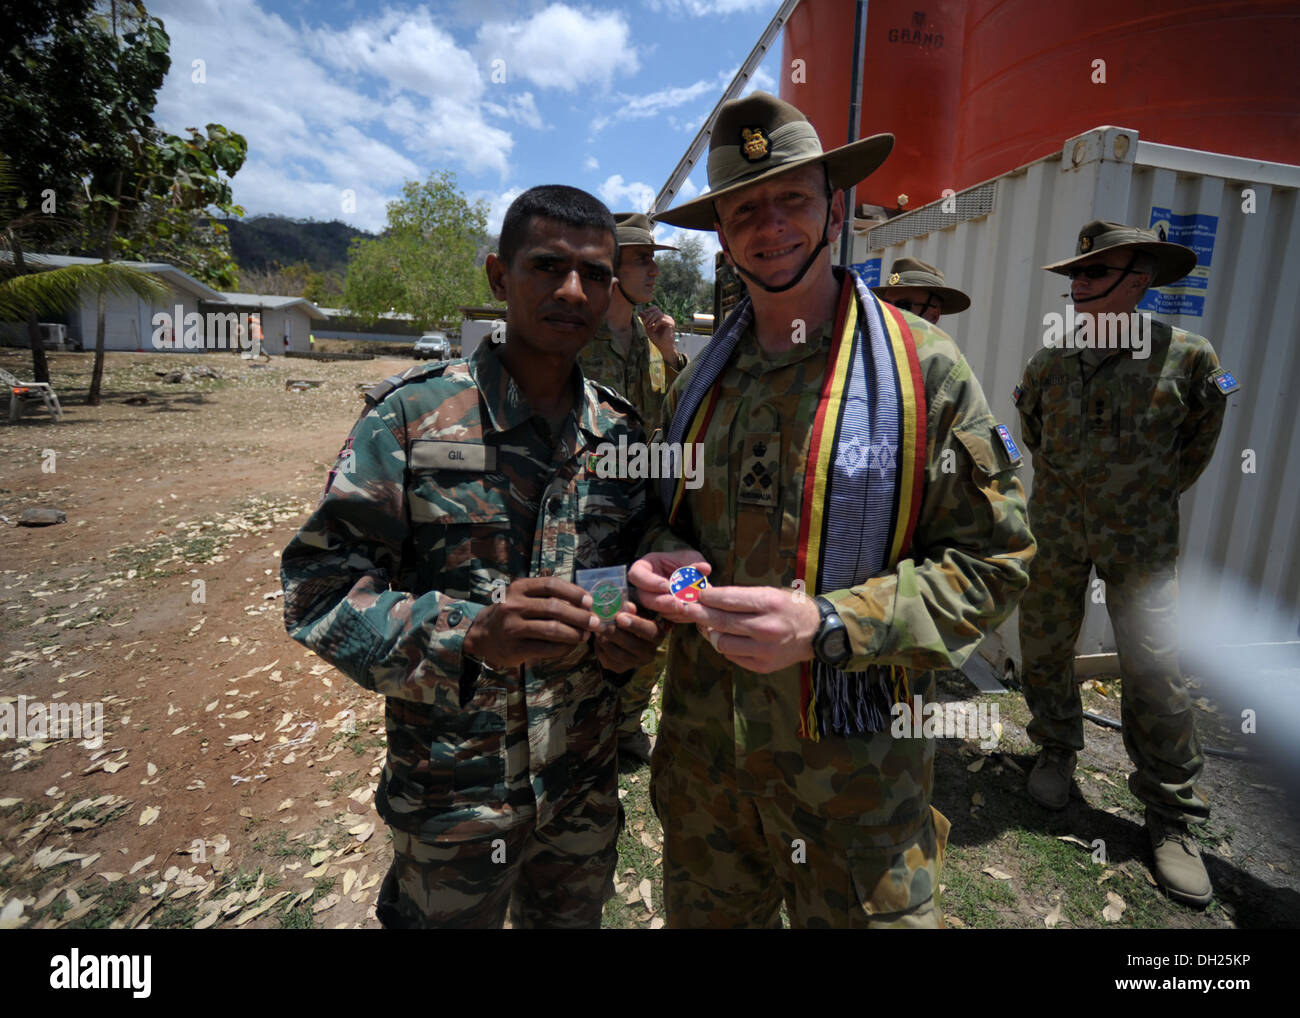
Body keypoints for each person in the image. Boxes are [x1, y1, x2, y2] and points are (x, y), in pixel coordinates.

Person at [631, 92, 1036, 928]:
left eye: (791, 199)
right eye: (745, 208)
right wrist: (660, 554)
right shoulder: (700, 381)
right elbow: (662, 515)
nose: (769, 224)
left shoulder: (922, 371)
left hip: (855, 790)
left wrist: (826, 624)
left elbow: (992, 565)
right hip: (710, 780)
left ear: (834, 207)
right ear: (721, 232)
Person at [280, 185, 667, 928]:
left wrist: (631, 635)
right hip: (454, 798)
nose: (570, 290)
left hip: (580, 792)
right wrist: (471, 636)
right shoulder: (412, 417)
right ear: (498, 276)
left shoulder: (622, 435)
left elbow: (628, 565)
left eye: (593, 275)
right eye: (546, 266)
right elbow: (319, 590)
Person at [1015, 220, 1238, 907]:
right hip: (1055, 527)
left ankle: (1171, 817)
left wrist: (1141, 495)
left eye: (1091, 274)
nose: (1076, 286)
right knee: (1046, 643)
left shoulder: (1190, 359)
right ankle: (1055, 751)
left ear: (1137, 280)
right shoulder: (1052, 361)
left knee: (1156, 669)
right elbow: (1032, 433)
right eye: (1074, 276)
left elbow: (1197, 443)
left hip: (1140, 540)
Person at [577, 211, 686, 764]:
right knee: (606, 625)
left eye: (654, 259)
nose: (652, 270)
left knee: (656, 626)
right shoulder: (579, 335)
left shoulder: (648, 342)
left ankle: (626, 719)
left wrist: (669, 353)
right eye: (641, 259)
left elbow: (669, 415)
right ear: (610, 267)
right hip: (594, 520)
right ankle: (600, 726)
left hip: (648, 512)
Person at [871, 256, 971, 326]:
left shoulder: (942, 354)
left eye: (903, 306)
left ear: (933, 316)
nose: (890, 313)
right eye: (885, 305)